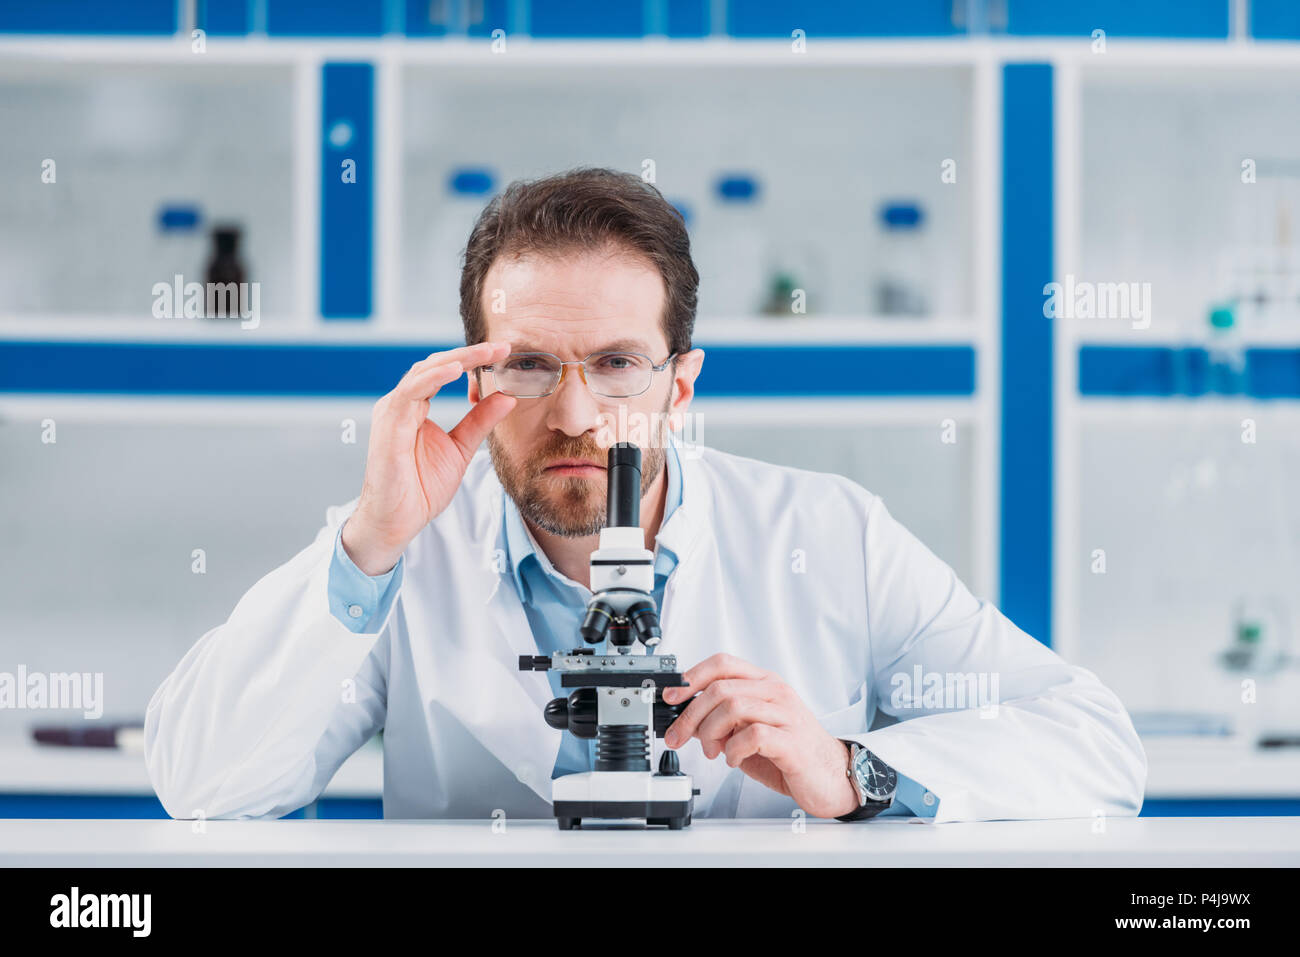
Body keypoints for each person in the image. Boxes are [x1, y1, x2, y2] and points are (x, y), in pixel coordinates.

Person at [144, 167, 1146, 823]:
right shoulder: (405, 548)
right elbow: (201, 783)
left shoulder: (827, 535)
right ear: (473, 381)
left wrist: (854, 770)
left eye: (618, 363)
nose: (577, 414)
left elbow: (1092, 745)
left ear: (680, 382)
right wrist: (370, 542)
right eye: (529, 365)